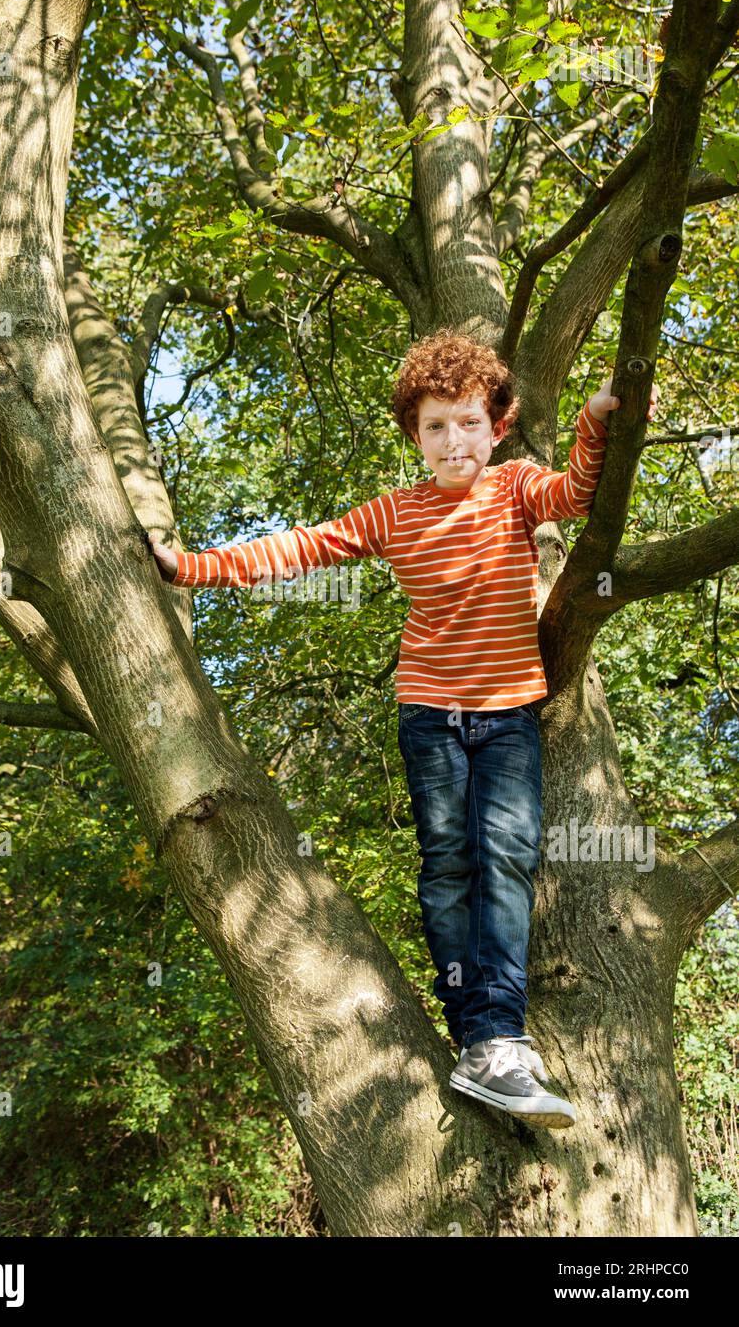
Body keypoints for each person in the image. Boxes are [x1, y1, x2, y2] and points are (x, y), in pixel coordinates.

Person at [149, 328, 658, 1130]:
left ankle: (495, 1042)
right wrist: (191, 566)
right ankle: (483, 1043)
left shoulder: (519, 488)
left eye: (468, 422)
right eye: (434, 426)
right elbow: (301, 548)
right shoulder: (396, 513)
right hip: (428, 712)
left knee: (507, 858)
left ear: (497, 425)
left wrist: (601, 416)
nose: (453, 441)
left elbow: (579, 492)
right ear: (414, 435)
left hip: (507, 714)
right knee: (450, 864)